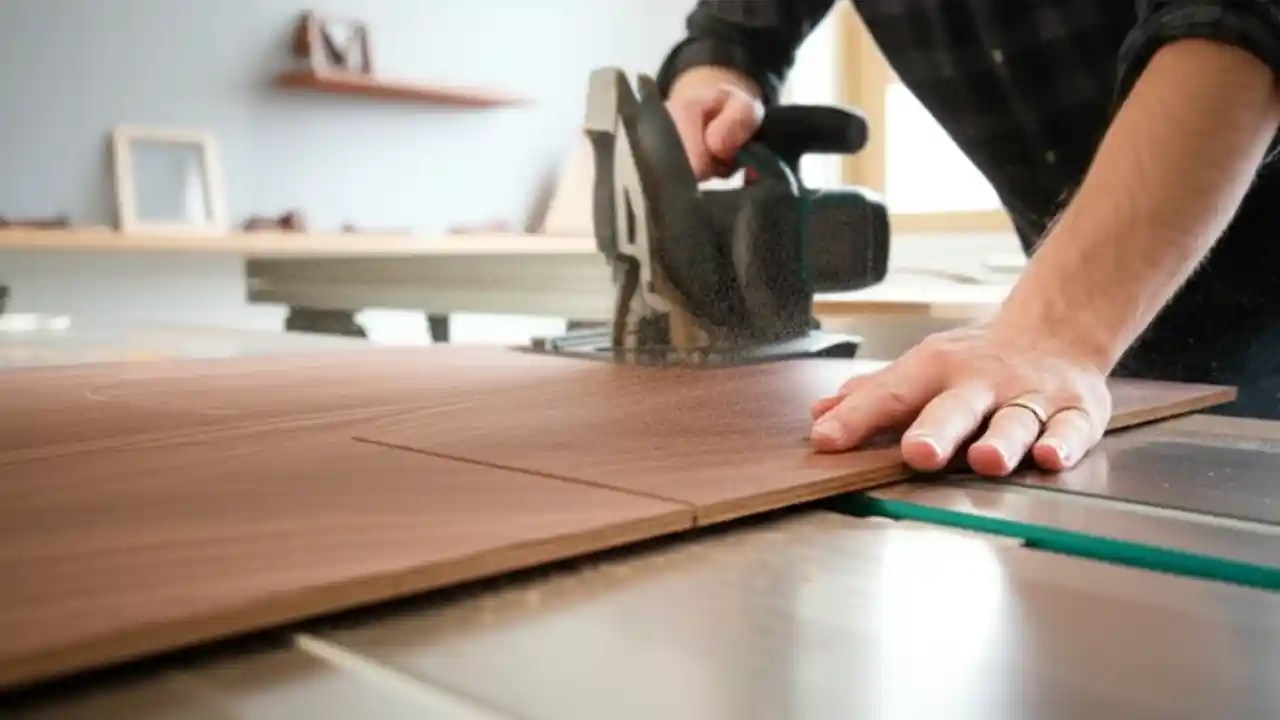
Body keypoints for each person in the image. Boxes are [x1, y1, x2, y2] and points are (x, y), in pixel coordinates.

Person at [656, 0, 1280, 477]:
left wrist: (1054, 330)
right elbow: (734, 31)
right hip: (1086, 345)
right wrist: (711, 88)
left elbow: (1237, 21)